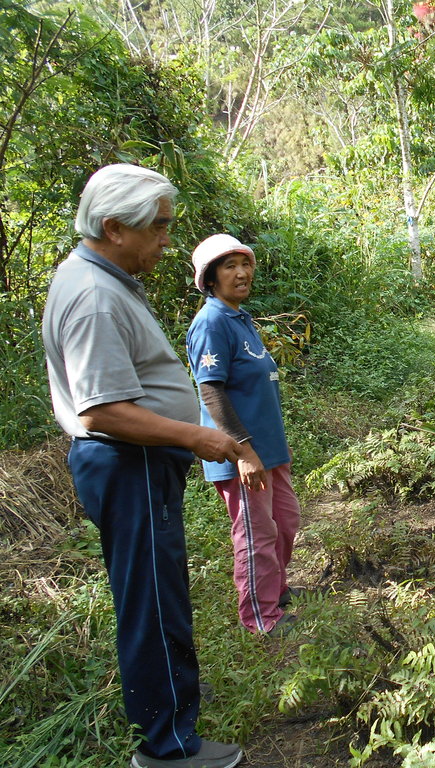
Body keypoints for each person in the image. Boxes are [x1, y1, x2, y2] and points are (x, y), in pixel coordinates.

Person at [42, 165, 245, 768]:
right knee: (153, 602)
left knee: (158, 593)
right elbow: (102, 410)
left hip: (139, 464)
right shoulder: (94, 297)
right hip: (129, 464)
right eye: (157, 227)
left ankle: (169, 719)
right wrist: (196, 436)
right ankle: (168, 747)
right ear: (113, 227)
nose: (166, 240)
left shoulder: (105, 280)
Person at [186, 234, 302, 637]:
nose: (241, 273)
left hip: (269, 449)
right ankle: (260, 617)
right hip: (243, 454)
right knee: (256, 534)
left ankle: (276, 590)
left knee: (286, 521)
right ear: (210, 278)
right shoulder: (212, 322)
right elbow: (211, 391)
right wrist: (244, 452)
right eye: (229, 266)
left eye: (245, 264)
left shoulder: (241, 318)